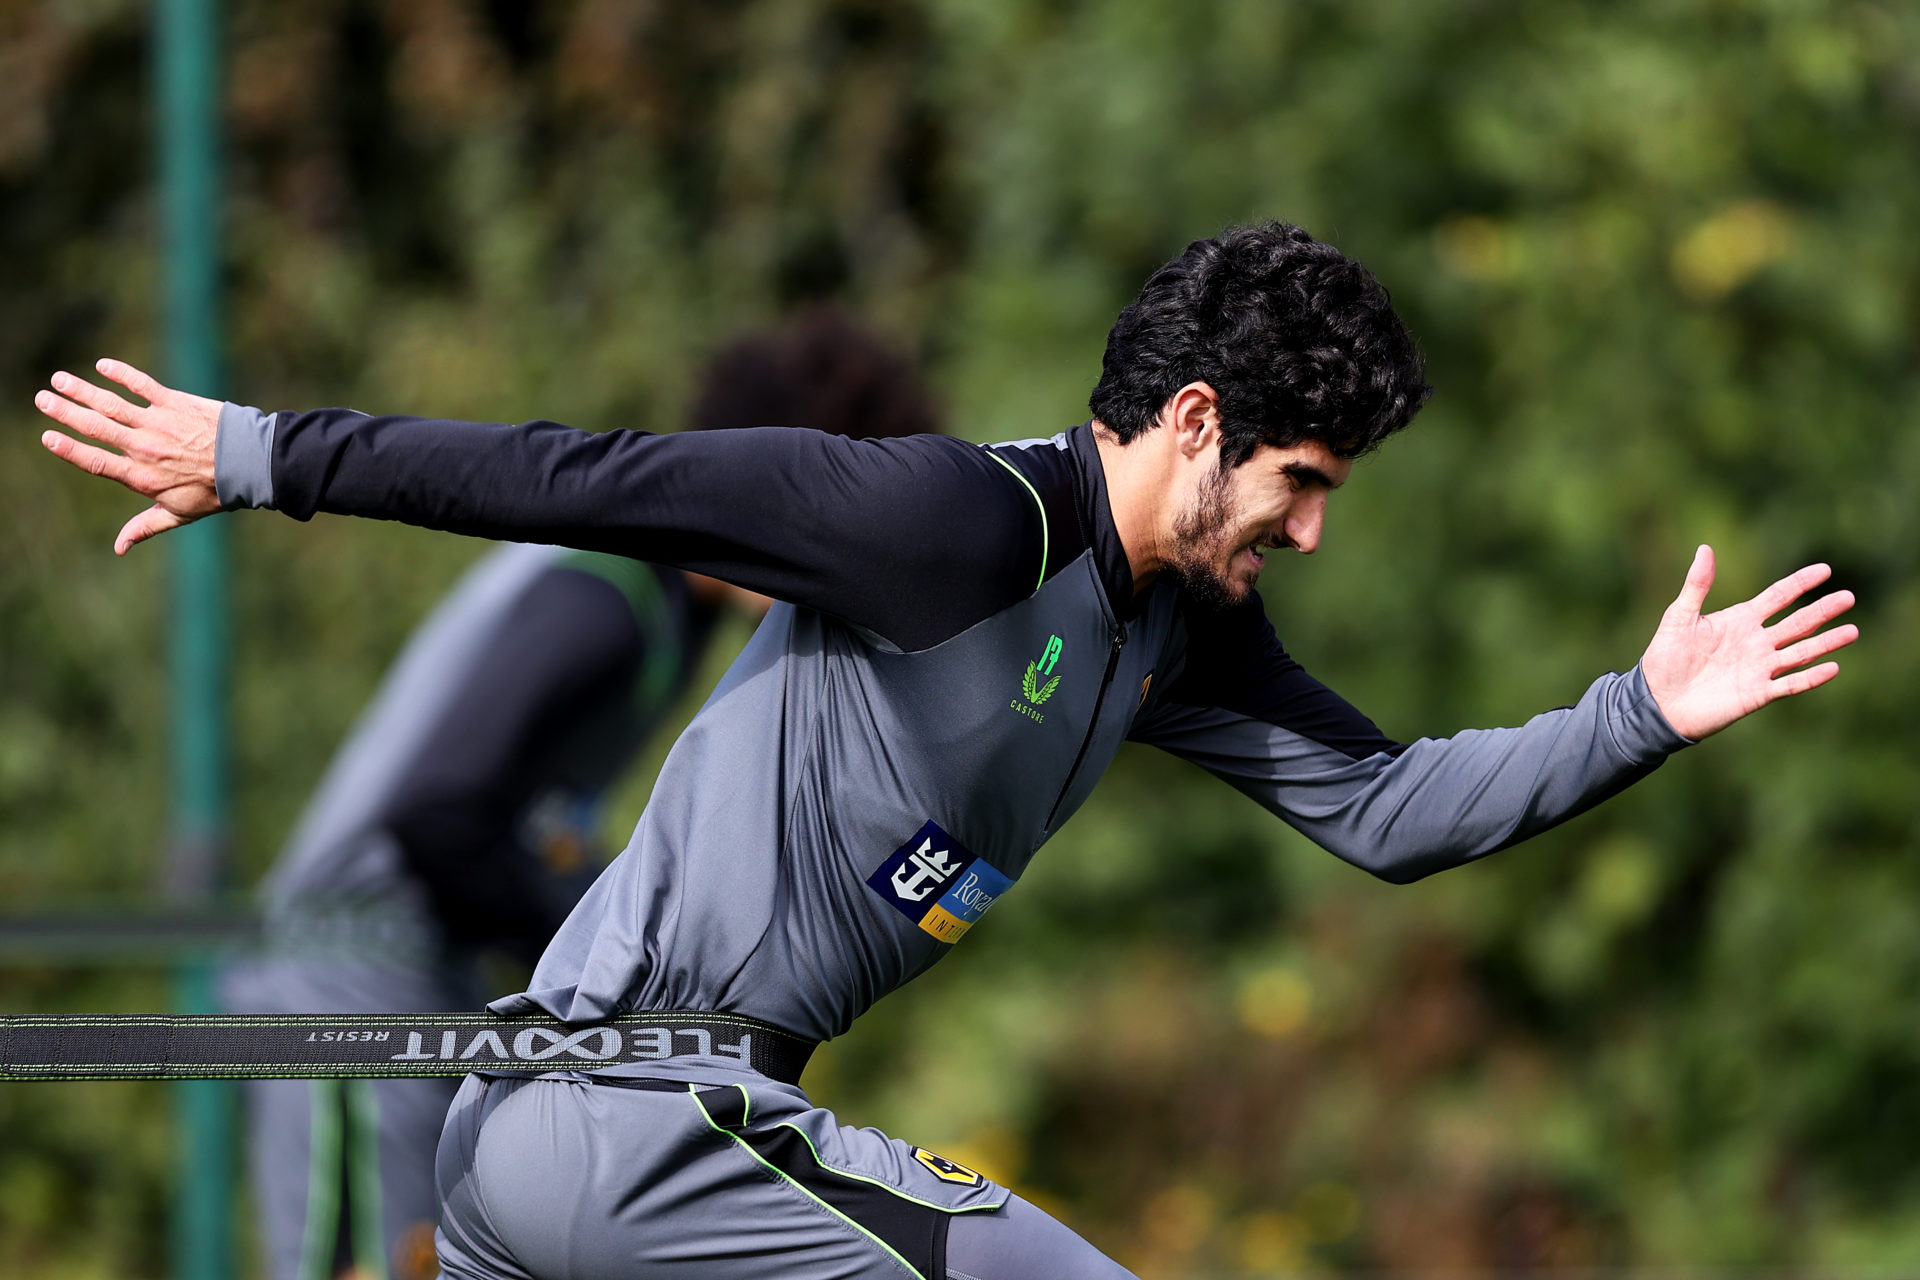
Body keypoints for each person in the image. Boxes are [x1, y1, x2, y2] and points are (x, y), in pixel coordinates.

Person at [36, 222, 1857, 1280]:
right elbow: (591, 473)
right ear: (1200, 424)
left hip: (616, 1151)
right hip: (628, 1113)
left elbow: (1383, 810)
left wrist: (1638, 715)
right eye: (1301, 487)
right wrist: (263, 453)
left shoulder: (1171, 636)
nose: (1309, 533)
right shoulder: (952, 529)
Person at [218, 309, 944, 1280]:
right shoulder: (604, 597)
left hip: (424, 979)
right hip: (344, 985)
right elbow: (434, 812)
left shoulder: (670, 615)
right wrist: (586, 955)